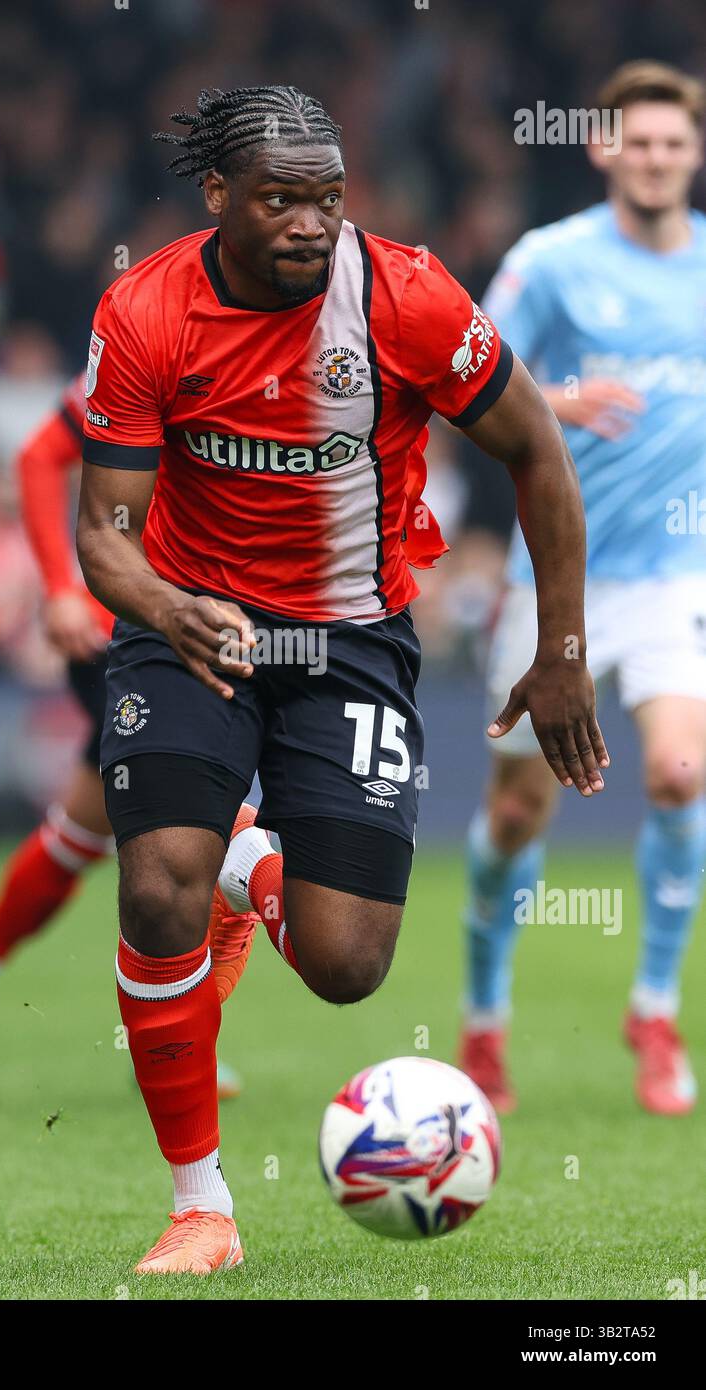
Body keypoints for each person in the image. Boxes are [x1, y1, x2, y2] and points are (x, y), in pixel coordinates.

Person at [76, 84, 606, 1276]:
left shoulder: (406, 297)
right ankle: (199, 1205)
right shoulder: (147, 309)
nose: (311, 221)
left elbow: (535, 449)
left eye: (326, 197)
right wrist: (170, 612)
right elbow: (103, 535)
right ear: (217, 194)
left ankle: (248, 858)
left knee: (345, 966)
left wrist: (559, 651)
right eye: (280, 198)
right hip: (185, 618)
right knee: (155, 885)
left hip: (349, 637)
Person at [458, 61, 706, 1117]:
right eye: (634, 142)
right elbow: (455, 374)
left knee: (679, 776)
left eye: (671, 143)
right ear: (601, 148)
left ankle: (651, 1010)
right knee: (517, 814)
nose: (653, 158)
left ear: (691, 154)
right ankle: (482, 1022)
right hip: (553, 578)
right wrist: (554, 397)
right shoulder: (548, 262)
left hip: (675, 575)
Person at [0, 373, 256, 1098]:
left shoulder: (290, 348)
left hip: (218, 624)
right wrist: (60, 587)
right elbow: (41, 455)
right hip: (129, 639)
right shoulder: (148, 346)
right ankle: (185, 1035)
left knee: (82, 833)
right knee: (210, 830)